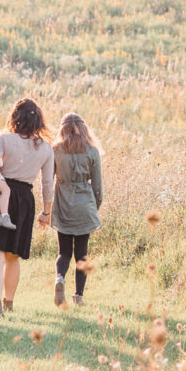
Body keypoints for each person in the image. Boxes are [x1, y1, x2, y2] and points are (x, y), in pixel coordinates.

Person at [0, 98, 53, 319]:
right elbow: (47, 184)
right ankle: (9, 302)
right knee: (13, 257)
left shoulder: (4, 139)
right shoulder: (46, 148)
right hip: (24, 199)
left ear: (15, 117)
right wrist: (46, 212)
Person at [51, 113, 103, 307]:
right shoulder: (92, 151)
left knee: (64, 252)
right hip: (84, 205)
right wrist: (94, 207)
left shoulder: (55, 150)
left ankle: (59, 278)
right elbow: (97, 186)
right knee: (82, 254)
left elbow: (47, 180)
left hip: (63, 204)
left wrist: (48, 207)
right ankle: (78, 296)